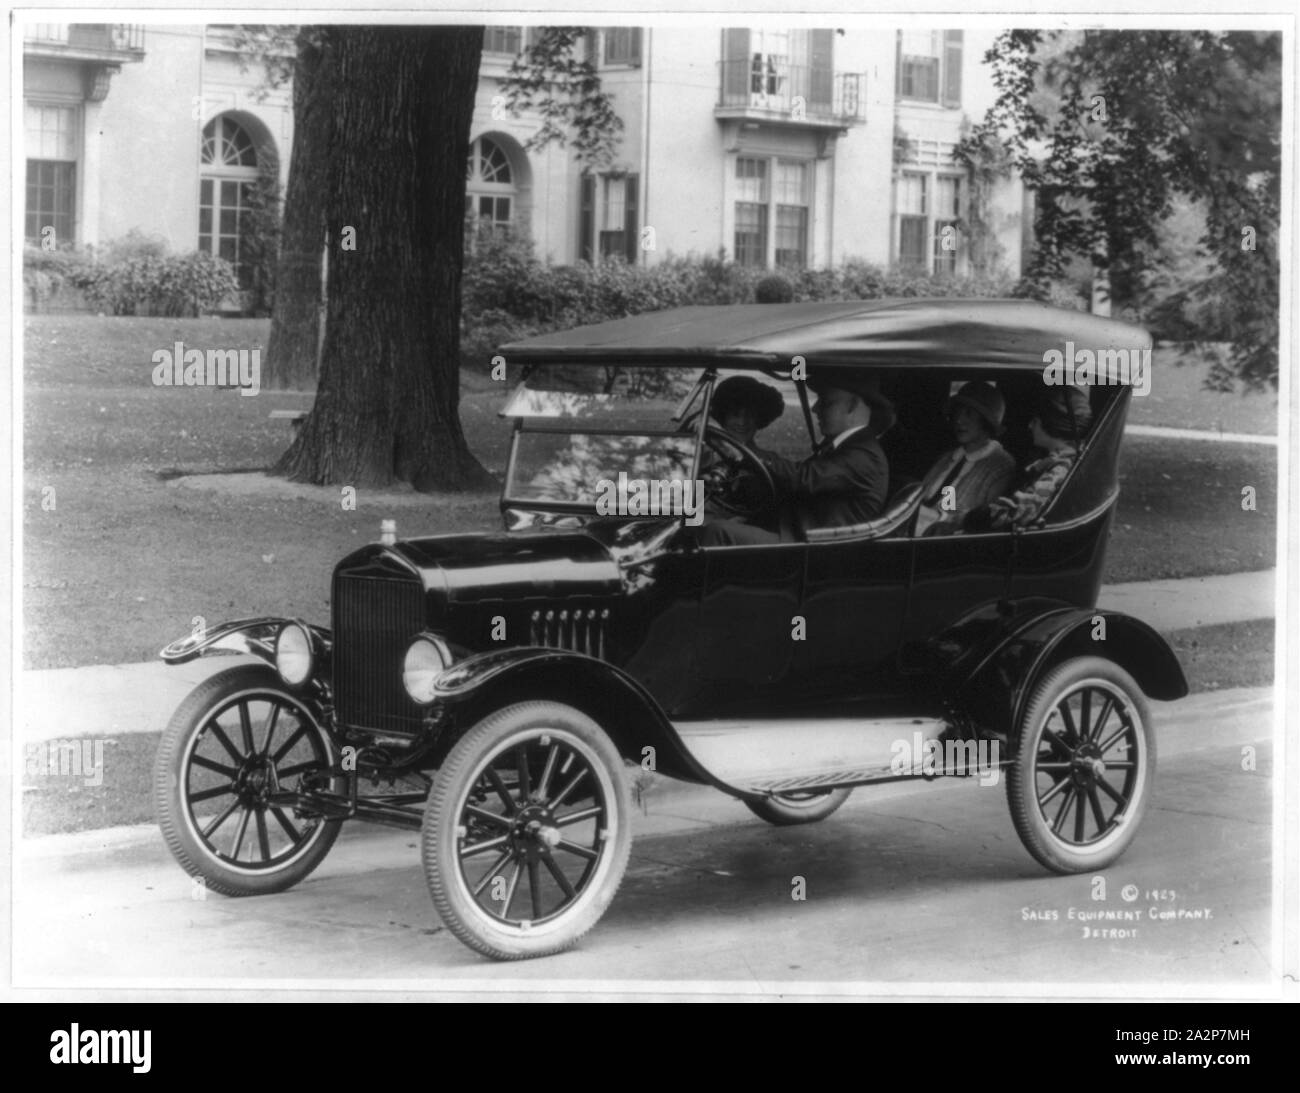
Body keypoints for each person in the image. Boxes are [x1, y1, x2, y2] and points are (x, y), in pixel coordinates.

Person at [699, 374, 891, 545]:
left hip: (810, 550)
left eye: (826, 402)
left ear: (853, 406)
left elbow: (802, 477)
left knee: (716, 532)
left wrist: (740, 453)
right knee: (698, 527)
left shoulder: (863, 455)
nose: (815, 408)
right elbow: (794, 487)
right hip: (797, 534)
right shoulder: (845, 448)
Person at [976, 386, 1092, 530]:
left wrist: (973, 517)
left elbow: (1013, 514)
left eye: (1035, 421)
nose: (1030, 426)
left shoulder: (1059, 470)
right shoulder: (1057, 461)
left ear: (1051, 424)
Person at [913, 381, 1017, 537]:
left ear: (986, 421)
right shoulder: (949, 456)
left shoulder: (1001, 466)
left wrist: (941, 520)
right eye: (958, 412)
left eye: (969, 413)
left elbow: (984, 521)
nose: (959, 420)